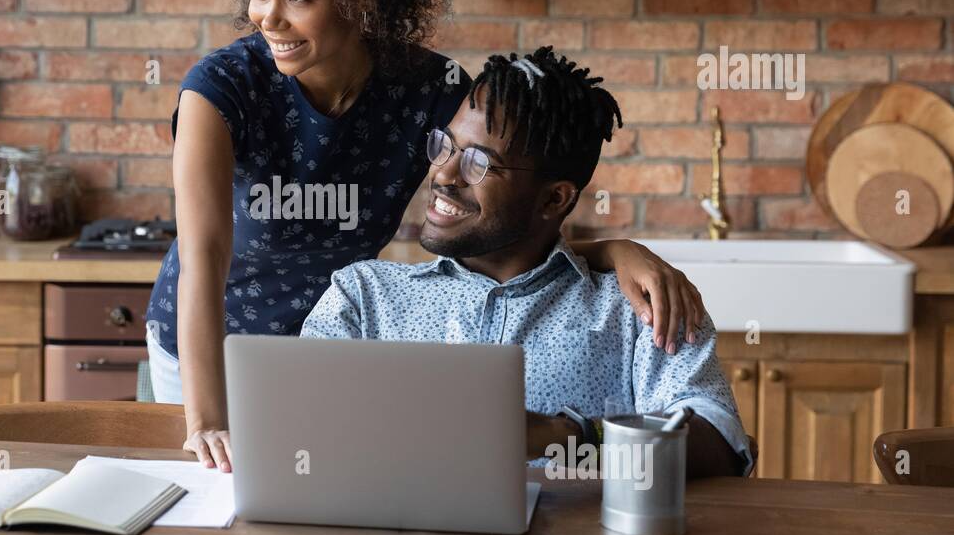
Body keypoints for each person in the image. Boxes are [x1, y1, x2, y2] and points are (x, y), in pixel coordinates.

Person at [144, 0, 709, 473]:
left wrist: (616, 251)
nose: (266, 17)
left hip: (330, 343)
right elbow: (204, 253)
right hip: (207, 349)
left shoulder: (428, 87)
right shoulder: (222, 88)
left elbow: (502, 202)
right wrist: (207, 419)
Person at [300, 48, 755, 478]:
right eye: (446, 146)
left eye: (479, 163)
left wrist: (561, 436)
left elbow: (720, 439)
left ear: (554, 199)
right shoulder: (363, 296)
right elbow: (294, 427)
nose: (443, 174)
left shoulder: (635, 307)